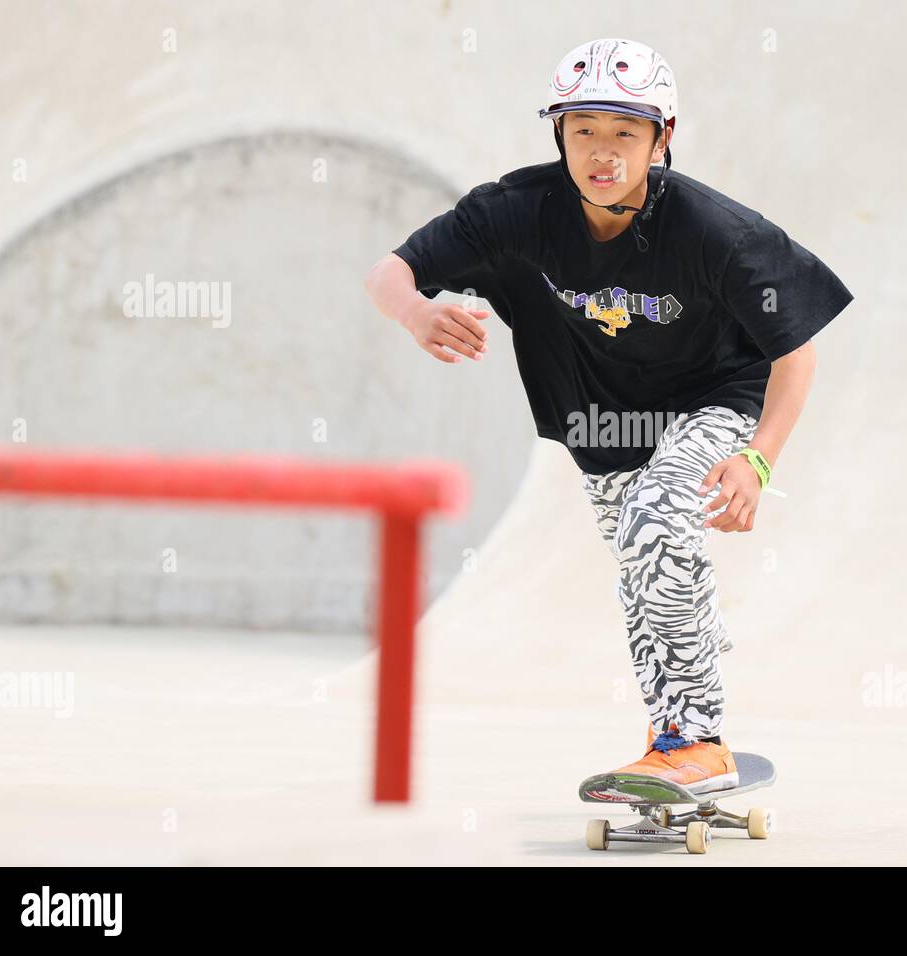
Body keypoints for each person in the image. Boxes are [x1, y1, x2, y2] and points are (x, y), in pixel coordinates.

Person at [364, 37, 853, 795]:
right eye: (583, 130)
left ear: (662, 140)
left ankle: (702, 740)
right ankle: (669, 739)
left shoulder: (715, 231)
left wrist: (758, 459)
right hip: (603, 423)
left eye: (625, 134)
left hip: (715, 398)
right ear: (558, 135)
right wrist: (415, 314)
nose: (602, 153)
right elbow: (388, 273)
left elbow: (798, 353)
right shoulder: (516, 210)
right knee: (642, 564)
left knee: (658, 522)